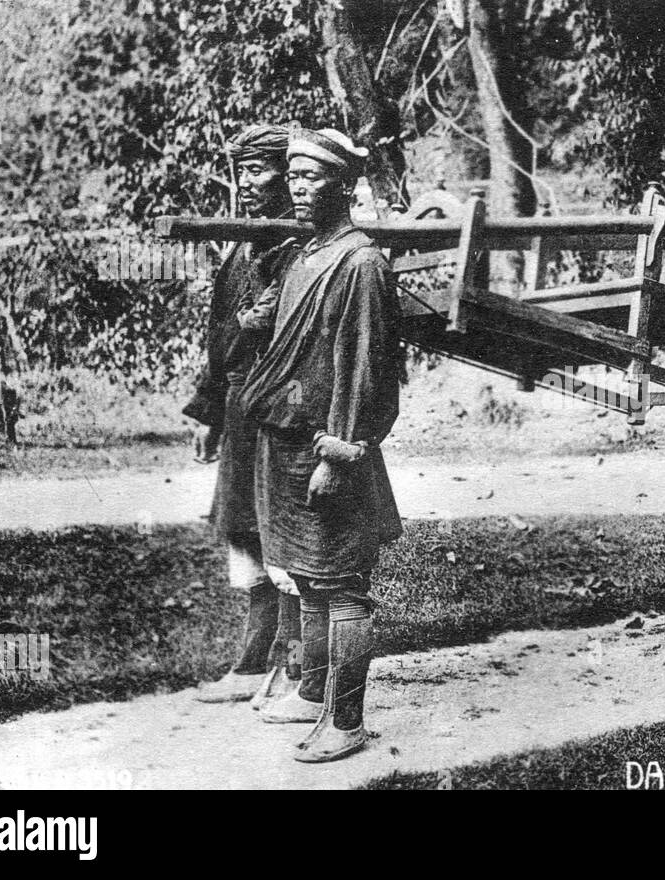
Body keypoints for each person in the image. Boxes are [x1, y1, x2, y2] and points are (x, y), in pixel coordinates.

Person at [239, 128, 403, 763]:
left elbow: (363, 370)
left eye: (314, 178)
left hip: (329, 449)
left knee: (343, 585)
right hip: (286, 442)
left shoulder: (359, 263)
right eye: (295, 176)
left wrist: (339, 454)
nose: (300, 188)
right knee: (307, 577)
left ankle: (347, 719)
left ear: (345, 187)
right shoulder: (304, 254)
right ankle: (311, 691)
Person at [187, 124, 303, 707]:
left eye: (261, 169)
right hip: (239, 406)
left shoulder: (303, 251)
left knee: (282, 530)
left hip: (282, 406)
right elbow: (219, 337)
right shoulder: (243, 244)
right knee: (242, 528)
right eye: (244, 171)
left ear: (291, 174)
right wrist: (211, 412)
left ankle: (293, 664)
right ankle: (254, 662)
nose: (249, 183)